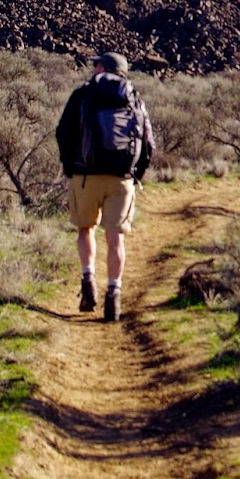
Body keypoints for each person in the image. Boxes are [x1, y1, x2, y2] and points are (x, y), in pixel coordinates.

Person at [55, 52, 155, 322]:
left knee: (85, 229)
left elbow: (63, 133)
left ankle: (88, 280)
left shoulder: (83, 94)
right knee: (115, 238)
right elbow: (148, 143)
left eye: (96, 65)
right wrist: (135, 174)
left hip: (85, 176)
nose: (93, 68)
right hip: (121, 178)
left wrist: (70, 167)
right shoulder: (133, 97)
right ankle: (114, 295)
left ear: (103, 68)